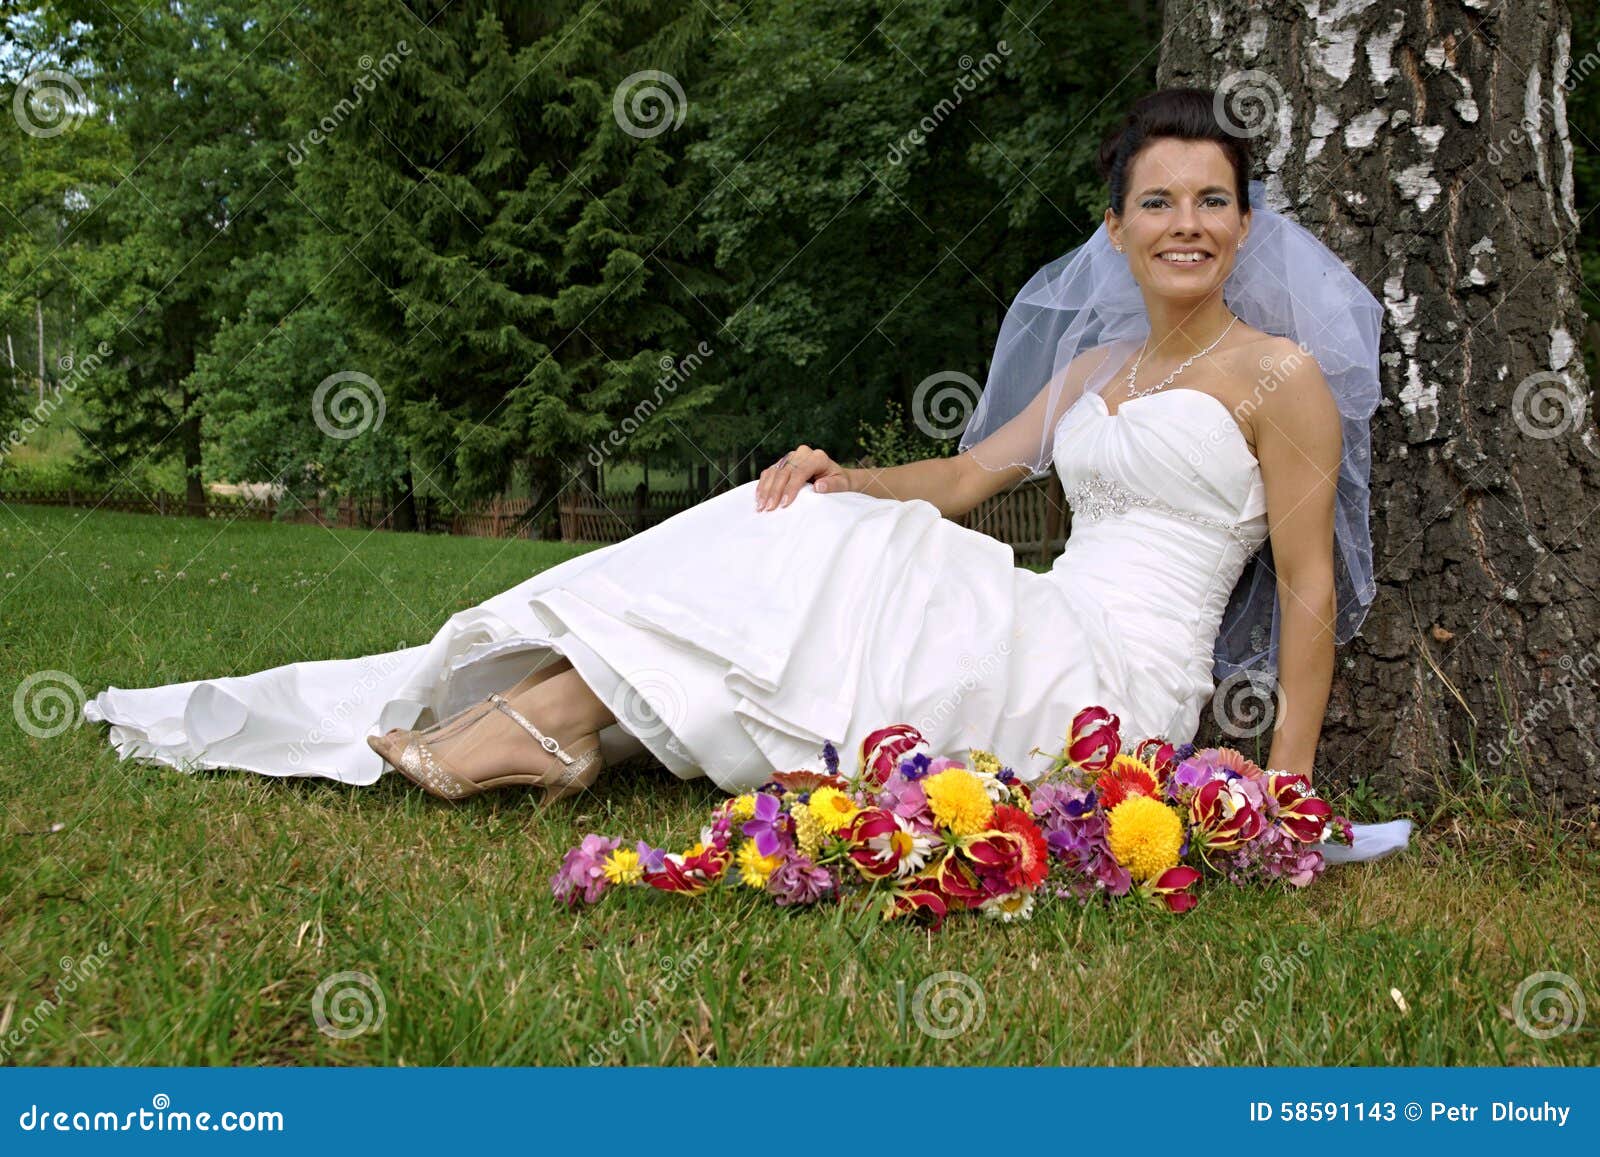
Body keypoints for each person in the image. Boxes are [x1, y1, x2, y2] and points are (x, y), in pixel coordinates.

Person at [84, 87, 1413, 863]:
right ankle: (553, 716)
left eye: (1213, 201)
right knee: (813, 516)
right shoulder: (1097, 373)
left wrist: (1284, 791)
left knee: (839, 560)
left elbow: (1304, 594)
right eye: (1159, 201)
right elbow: (962, 481)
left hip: (1118, 680)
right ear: (1117, 227)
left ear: (1247, 222)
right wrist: (850, 473)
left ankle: (549, 723)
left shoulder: (1278, 381)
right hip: (1048, 610)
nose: (1186, 224)